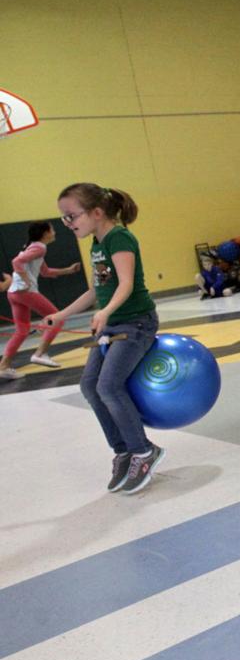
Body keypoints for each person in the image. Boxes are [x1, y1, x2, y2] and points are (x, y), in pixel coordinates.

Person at [45, 183, 165, 494]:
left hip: (136, 322)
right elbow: (94, 291)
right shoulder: (96, 244)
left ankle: (143, 451)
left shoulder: (119, 237)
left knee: (109, 386)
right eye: (64, 218)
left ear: (97, 212)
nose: (69, 223)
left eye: (72, 216)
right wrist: (61, 315)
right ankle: (123, 450)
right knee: (90, 386)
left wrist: (106, 311)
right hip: (113, 326)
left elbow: (125, 284)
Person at [0, 222, 80, 379]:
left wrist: (68, 270)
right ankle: (40, 353)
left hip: (14, 293)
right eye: (52, 229)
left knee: (22, 330)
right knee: (58, 318)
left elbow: (46, 272)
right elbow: (16, 262)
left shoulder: (35, 247)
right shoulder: (39, 247)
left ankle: (4, 366)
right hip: (25, 292)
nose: (55, 232)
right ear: (45, 233)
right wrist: (26, 280)